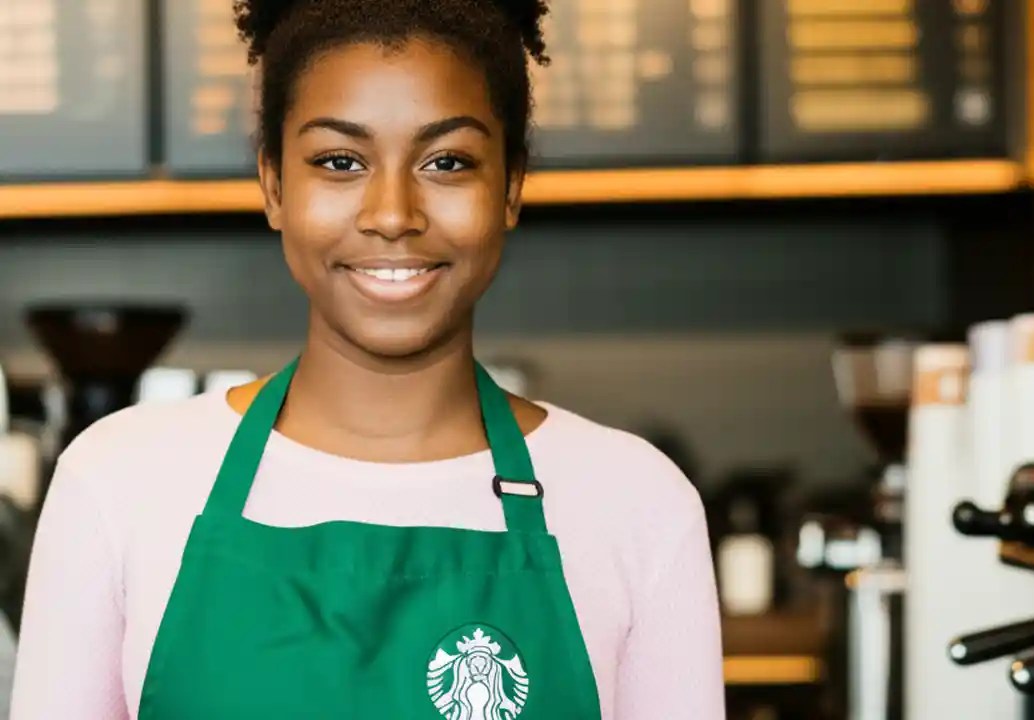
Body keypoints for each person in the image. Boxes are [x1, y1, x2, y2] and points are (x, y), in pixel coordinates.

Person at [9, 0, 724, 716]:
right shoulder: (117, 485)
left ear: (510, 186)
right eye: (340, 161)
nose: (391, 213)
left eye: (447, 162)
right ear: (274, 184)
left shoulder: (637, 505)